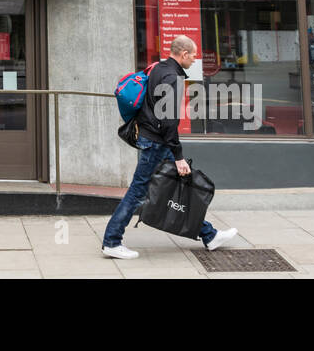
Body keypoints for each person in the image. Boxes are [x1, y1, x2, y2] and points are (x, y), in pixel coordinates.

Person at [102, 35, 239, 259]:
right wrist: (178, 156)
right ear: (183, 54)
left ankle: (209, 235)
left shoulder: (158, 68)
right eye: (193, 55)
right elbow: (168, 121)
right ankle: (112, 241)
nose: (195, 59)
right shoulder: (172, 77)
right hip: (157, 142)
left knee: (176, 186)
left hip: (153, 139)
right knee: (138, 192)